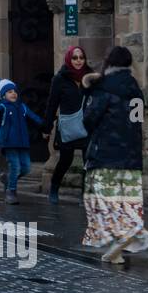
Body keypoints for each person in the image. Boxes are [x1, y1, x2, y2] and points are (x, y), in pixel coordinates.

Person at [81, 46, 148, 264]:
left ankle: (120, 239)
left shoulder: (103, 88)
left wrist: (89, 90)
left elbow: (88, 120)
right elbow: (137, 121)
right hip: (131, 157)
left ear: (109, 62)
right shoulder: (136, 90)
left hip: (105, 154)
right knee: (127, 203)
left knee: (105, 202)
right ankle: (119, 249)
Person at [44, 45, 91, 204]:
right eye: (75, 58)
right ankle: (54, 188)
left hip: (87, 125)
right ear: (69, 59)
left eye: (81, 57)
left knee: (88, 161)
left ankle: (84, 195)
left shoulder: (90, 77)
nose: (78, 61)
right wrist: (47, 127)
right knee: (65, 160)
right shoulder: (59, 79)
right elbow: (52, 104)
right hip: (68, 126)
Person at [0, 79, 44, 205]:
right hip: (8, 143)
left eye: (14, 91)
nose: (13, 94)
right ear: (3, 95)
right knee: (15, 167)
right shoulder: (3, 106)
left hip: (22, 143)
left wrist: (46, 125)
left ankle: (8, 179)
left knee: (26, 168)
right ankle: (11, 192)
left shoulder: (22, 107)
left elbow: (34, 117)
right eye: (9, 92)